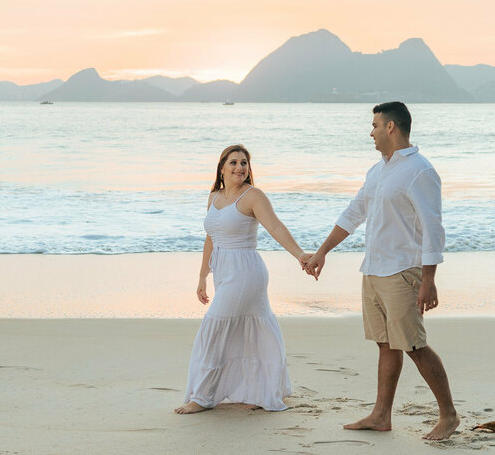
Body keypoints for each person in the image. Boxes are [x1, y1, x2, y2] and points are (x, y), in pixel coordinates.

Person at [302, 101, 460, 441]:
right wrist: (322, 252)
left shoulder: (420, 171)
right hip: (374, 268)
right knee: (385, 344)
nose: (370, 132)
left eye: (374, 125)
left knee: (414, 345)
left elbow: (433, 228)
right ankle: (381, 415)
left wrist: (429, 280)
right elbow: (354, 212)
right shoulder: (378, 171)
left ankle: (448, 416)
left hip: (403, 270)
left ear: (391, 127)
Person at [175, 144, 308, 414]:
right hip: (223, 271)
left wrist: (300, 255)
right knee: (252, 332)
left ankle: (202, 396)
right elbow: (211, 238)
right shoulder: (214, 197)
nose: (239, 167)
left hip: (246, 271)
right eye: (233, 162)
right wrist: (202, 276)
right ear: (222, 168)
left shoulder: (253, 196)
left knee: (215, 326)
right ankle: (260, 390)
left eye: (244, 163)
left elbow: (275, 226)